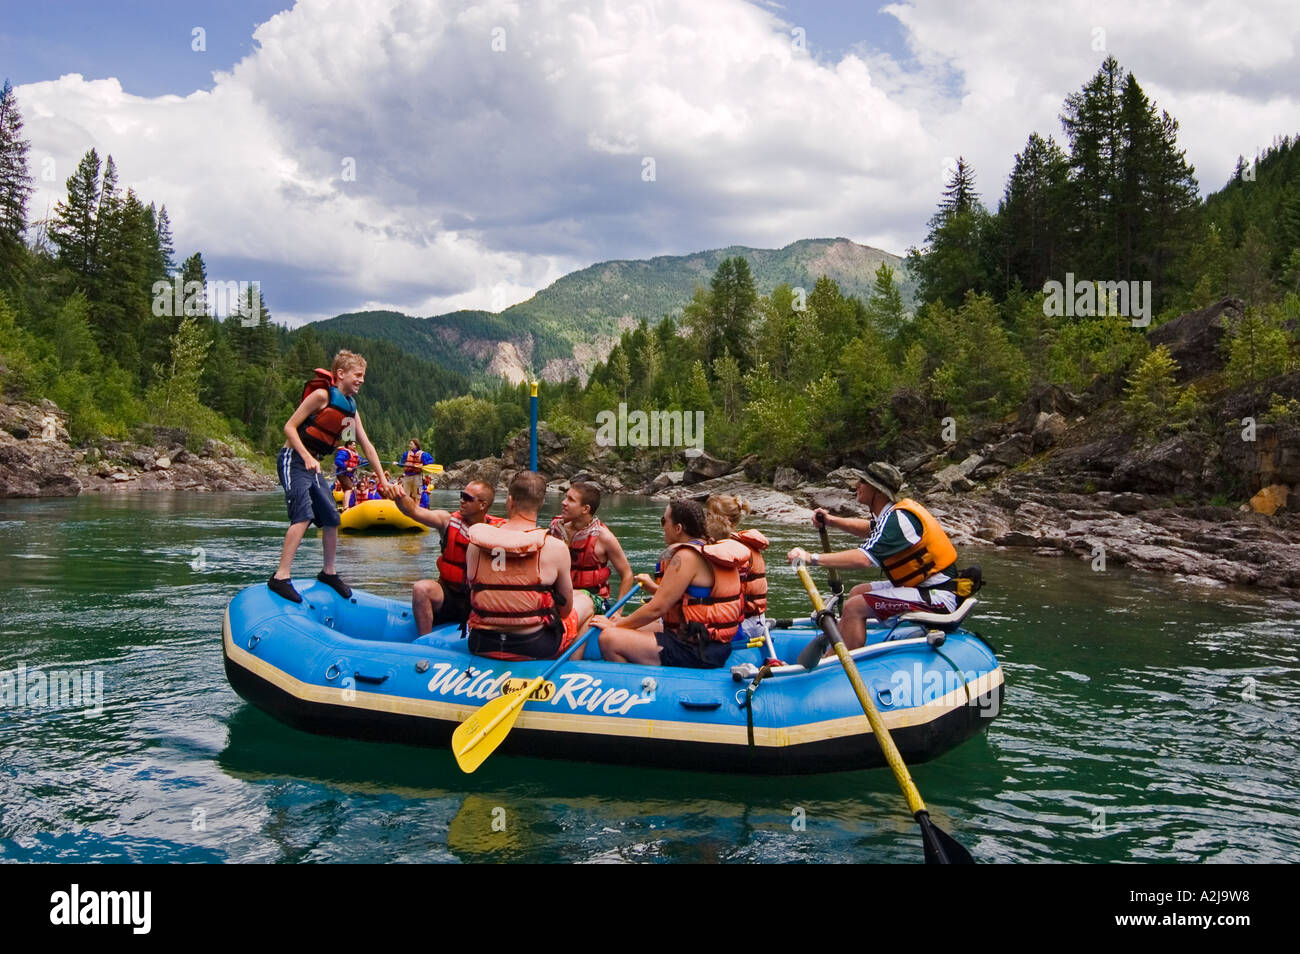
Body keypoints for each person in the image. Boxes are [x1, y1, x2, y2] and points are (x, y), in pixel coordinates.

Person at [786, 462, 960, 651]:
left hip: (938, 595)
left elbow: (863, 559)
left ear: (878, 490)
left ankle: (839, 661)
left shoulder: (899, 520)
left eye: (863, 482)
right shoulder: (890, 515)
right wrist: (831, 521)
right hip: (921, 587)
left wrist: (811, 558)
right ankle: (839, 649)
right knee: (857, 592)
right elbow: (869, 529)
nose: (856, 485)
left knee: (854, 606)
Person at [269, 350, 389, 603]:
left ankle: (329, 573)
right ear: (341, 374)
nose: (361, 380)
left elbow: (367, 445)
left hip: (312, 465)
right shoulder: (321, 396)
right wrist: (308, 456)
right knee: (303, 515)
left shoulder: (351, 409)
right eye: (358, 375)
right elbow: (289, 427)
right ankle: (280, 576)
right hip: (293, 458)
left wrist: (383, 481)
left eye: (363, 376)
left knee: (332, 518)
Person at [591, 499, 749, 668]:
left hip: (695, 649)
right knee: (629, 625)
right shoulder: (708, 548)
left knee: (609, 638)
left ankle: (641, 686)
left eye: (664, 521)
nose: (662, 526)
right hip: (709, 643)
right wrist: (623, 621)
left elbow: (656, 608)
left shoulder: (686, 557)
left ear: (678, 528)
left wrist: (615, 624)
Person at [463, 471, 593, 661]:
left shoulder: (475, 544)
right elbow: (565, 610)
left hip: (481, 643)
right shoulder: (555, 547)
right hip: (534, 646)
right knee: (587, 602)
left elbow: (471, 591)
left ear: (510, 500)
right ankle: (570, 670)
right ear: (541, 504)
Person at [383, 478, 505, 635]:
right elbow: (414, 511)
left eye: (467, 498)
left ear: (483, 505)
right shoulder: (447, 521)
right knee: (421, 589)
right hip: (449, 594)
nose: (462, 501)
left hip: (480, 599)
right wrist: (399, 497)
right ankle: (425, 642)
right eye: (462, 495)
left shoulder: (500, 529)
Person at [548, 482, 634, 613]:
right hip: (562, 597)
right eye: (566, 497)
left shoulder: (604, 537)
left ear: (585, 509)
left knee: (574, 605)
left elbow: (627, 574)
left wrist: (618, 612)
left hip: (594, 600)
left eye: (571, 500)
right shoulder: (555, 529)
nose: (564, 502)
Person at [705, 494, 769, 641]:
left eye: (709, 515)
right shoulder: (740, 543)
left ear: (725, 519)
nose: (705, 520)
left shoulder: (733, 550)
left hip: (745, 624)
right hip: (756, 620)